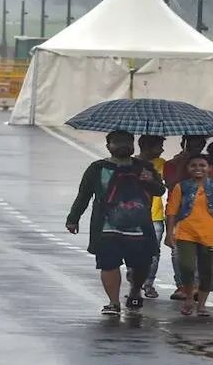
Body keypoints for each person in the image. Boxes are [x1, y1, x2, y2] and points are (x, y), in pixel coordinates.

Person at [66, 130, 166, 315]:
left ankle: (135, 290)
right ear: (108, 146)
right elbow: (84, 195)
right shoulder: (97, 168)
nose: (122, 145)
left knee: (142, 264)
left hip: (140, 227)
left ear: (133, 145)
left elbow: (160, 190)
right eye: (117, 142)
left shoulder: (144, 167)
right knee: (108, 263)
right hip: (106, 226)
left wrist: (150, 181)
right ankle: (114, 302)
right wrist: (73, 218)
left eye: (127, 141)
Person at [165, 154, 213, 317]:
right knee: (187, 267)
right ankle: (189, 297)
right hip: (186, 233)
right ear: (188, 169)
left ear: (209, 168)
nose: (198, 169)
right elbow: (171, 211)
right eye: (194, 165)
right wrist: (169, 233)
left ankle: (202, 305)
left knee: (207, 270)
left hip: (212, 235)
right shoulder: (181, 187)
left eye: (202, 165)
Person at [163, 134, 208, 300]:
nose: (194, 148)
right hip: (178, 213)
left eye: (198, 145)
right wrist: (182, 164)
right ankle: (182, 285)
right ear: (183, 144)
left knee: (200, 252)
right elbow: (171, 184)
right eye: (191, 145)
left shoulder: (206, 164)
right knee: (177, 252)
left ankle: (196, 285)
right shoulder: (171, 164)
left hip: (202, 214)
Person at [132, 135, 167, 299]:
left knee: (153, 252)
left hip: (155, 215)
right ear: (145, 146)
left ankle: (148, 284)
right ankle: (135, 283)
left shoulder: (163, 164)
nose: (162, 150)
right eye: (158, 146)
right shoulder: (130, 164)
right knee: (133, 252)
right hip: (134, 215)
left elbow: (164, 187)